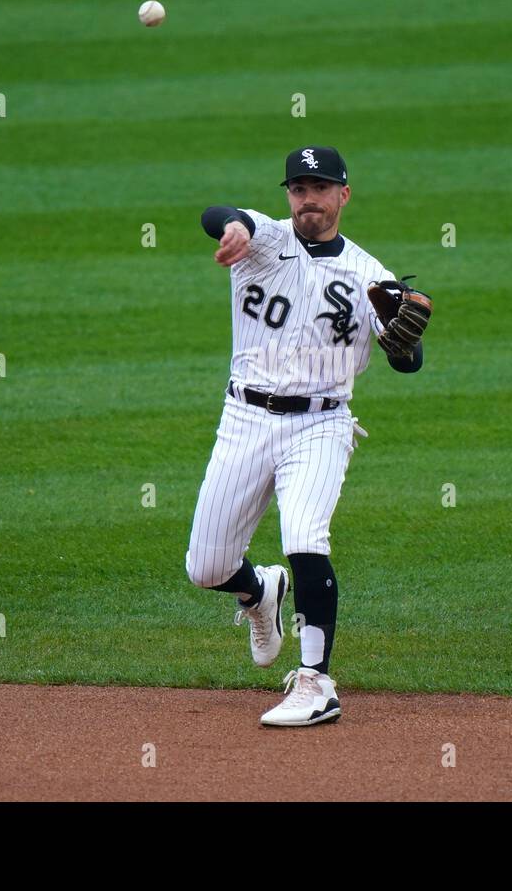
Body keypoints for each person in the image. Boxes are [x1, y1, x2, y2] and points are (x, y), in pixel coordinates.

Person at [183, 145, 429, 726]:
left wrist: (403, 340)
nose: (308, 199)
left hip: (321, 423)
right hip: (244, 418)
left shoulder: (372, 275)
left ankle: (317, 683)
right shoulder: (263, 239)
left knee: (304, 534)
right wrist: (237, 227)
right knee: (207, 567)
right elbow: (215, 213)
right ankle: (259, 591)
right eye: (297, 188)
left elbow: (408, 362)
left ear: (343, 195)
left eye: (320, 188)